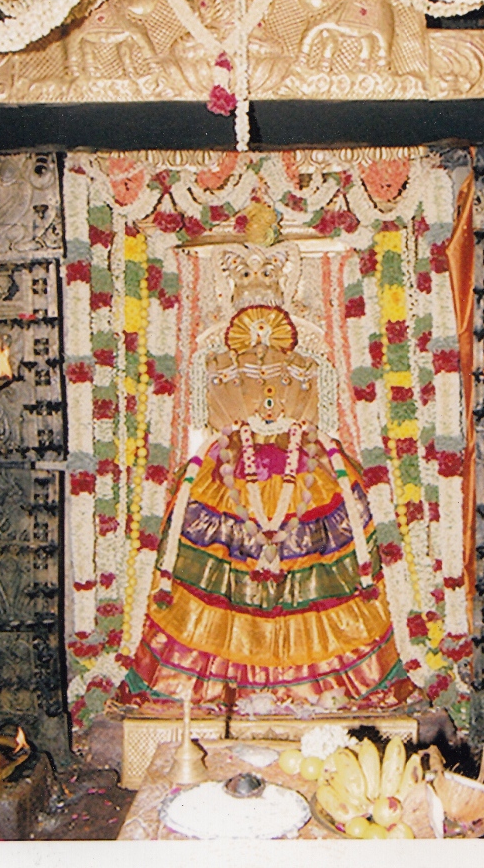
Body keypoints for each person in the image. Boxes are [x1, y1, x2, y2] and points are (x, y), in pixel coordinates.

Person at [117, 244, 413, 712]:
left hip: (308, 478)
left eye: (268, 288)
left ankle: (311, 689)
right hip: (228, 479)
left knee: (321, 573)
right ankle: (218, 688)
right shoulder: (213, 364)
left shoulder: (309, 365)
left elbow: (319, 421)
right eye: (249, 290)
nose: (259, 329)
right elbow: (209, 425)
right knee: (216, 577)